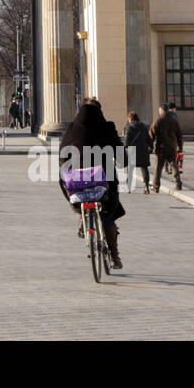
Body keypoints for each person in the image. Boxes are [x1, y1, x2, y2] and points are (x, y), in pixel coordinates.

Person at [58, 100, 125, 269]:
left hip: (78, 180)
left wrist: (67, 168)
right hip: (102, 178)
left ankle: (81, 216)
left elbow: (62, 155)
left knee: (67, 184)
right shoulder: (106, 127)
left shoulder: (72, 128)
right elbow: (120, 154)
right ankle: (114, 257)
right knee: (109, 212)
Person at [147, 105, 182, 192]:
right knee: (174, 165)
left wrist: (150, 146)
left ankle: (156, 186)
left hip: (161, 148)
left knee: (158, 168)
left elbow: (151, 134)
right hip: (172, 147)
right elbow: (179, 135)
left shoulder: (158, 121)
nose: (159, 112)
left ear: (162, 111)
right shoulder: (174, 121)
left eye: (159, 111)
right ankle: (178, 184)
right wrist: (179, 146)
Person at [122, 111, 151, 194]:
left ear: (130, 118)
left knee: (130, 169)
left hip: (132, 151)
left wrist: (124, 147)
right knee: (144, 168)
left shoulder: (129, 127)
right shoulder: (143, 126)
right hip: (143, 150)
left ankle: (129, 187)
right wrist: (151, 146)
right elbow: (148, 138)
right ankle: (146, 186)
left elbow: (126, 141)